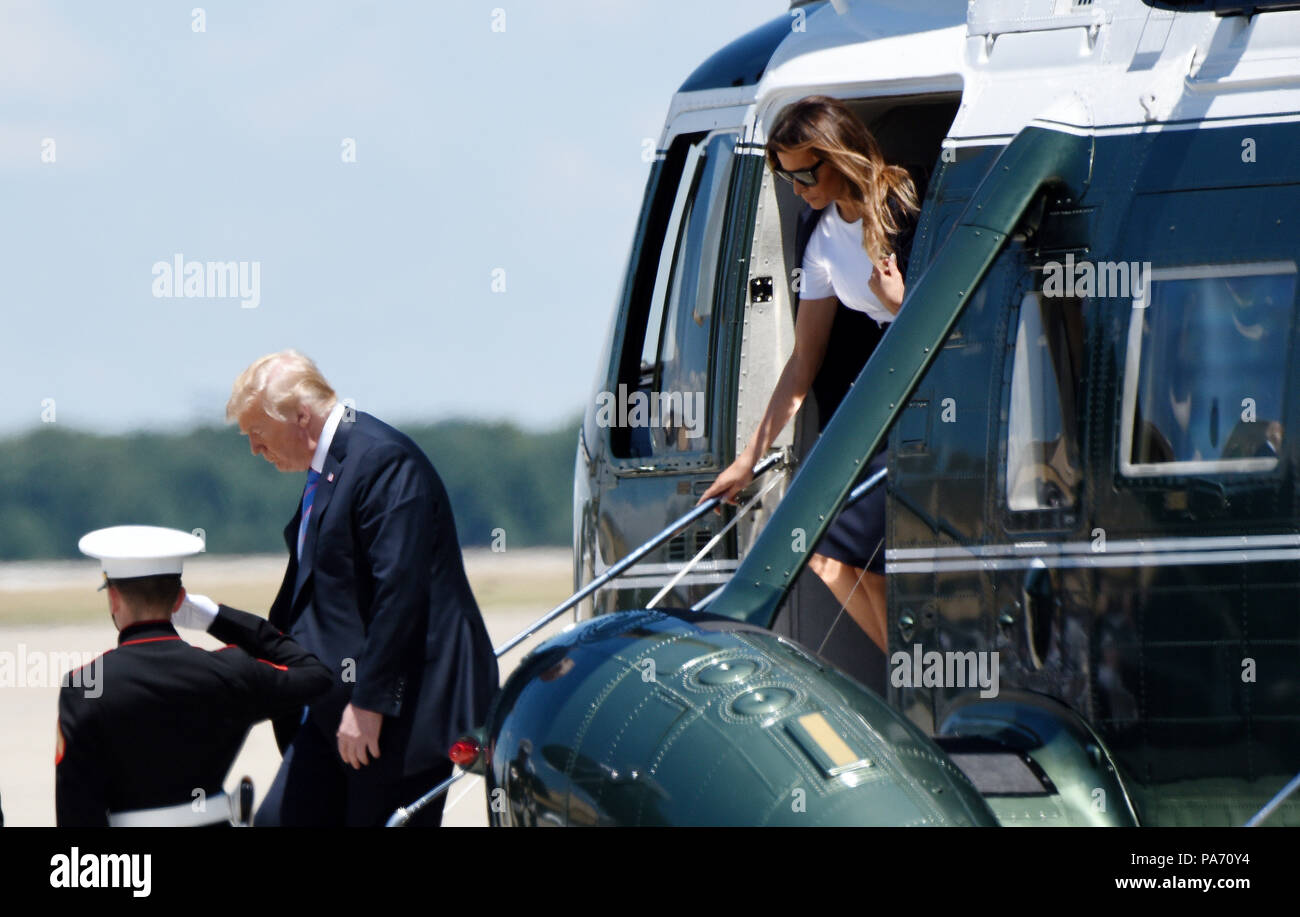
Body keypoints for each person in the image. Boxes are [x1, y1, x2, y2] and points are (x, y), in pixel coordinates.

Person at [225, 350, 498, 826]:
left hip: (394, 720)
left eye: (257, 433)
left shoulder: (382, 461)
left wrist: (370, 702)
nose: (254, 448)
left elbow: (401, 594)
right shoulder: (332, 467)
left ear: (300, 416)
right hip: (333, 712)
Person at [699, 95, 920, 654]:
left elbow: (960, 318)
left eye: (804, 174)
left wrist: (902, 303)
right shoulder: (819, 231)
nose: (796, 187)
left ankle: (911, 678)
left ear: (838, 156)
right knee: (829, 558)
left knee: (841, 554)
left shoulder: (904, 204)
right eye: (785, 175)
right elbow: (805, 359)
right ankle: (907, 672)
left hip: (923, 397)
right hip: (877, 403)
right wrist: (749, 458)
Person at [56, 525, 332, 827]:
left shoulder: (86, 685)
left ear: (113, 598)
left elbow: (76, 809)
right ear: (179, 600)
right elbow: (315, 675)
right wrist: (218, 617)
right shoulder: (231, 671)